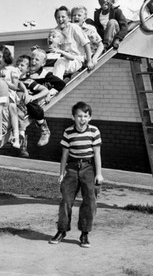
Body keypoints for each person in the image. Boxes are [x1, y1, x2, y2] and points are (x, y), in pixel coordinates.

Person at [50, 102, 103, 248]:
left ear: (90, 117)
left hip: (88, 168)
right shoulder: (68, 132)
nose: (82, 119)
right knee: (66, 201)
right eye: (79, 116)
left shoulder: (94, 131)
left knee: (90, 202)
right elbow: (64, 155)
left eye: (85, 116)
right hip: (72, 168)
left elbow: (97, 153)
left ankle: (84, 234)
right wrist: (61, 173)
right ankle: (61, 231)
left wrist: (99, 174)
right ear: (73, 117)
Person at [27, 49, 66, 148]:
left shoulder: (45, 74)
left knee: (32, 106)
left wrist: (50, 93)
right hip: (24, 97)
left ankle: (44, 129)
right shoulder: (25, 72)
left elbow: (61, 84)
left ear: (43, 63)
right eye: (32, 58)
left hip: (36, 99)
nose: (33, 61)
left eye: (37, 59)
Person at [15, 54, 51, 157]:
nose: (18, 67)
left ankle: (23, 143)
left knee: (21, 115)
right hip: (14, 107)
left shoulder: (29, 81)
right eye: (17, 64)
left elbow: (45, 90)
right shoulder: (11, 81)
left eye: (22, 65)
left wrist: (33, 98)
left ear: (28, 69)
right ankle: (20, 139)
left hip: (26, 106)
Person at [50, 7, 93, 79]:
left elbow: (86, 43)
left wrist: (89, 61)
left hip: (77, 60)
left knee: (60, 62)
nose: (60, 19)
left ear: (69, 17)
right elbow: (54, 48)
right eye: (58, 17)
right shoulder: (56, 30)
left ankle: (57, 85)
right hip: (65, 60)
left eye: (63, 17)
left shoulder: (74, 27)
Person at [0, 45, 21, 149]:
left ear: (5, 57)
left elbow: (15, 87)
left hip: (9, 96)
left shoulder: (12, 70)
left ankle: (16, 138)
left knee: (12, 110)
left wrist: (4, 81)